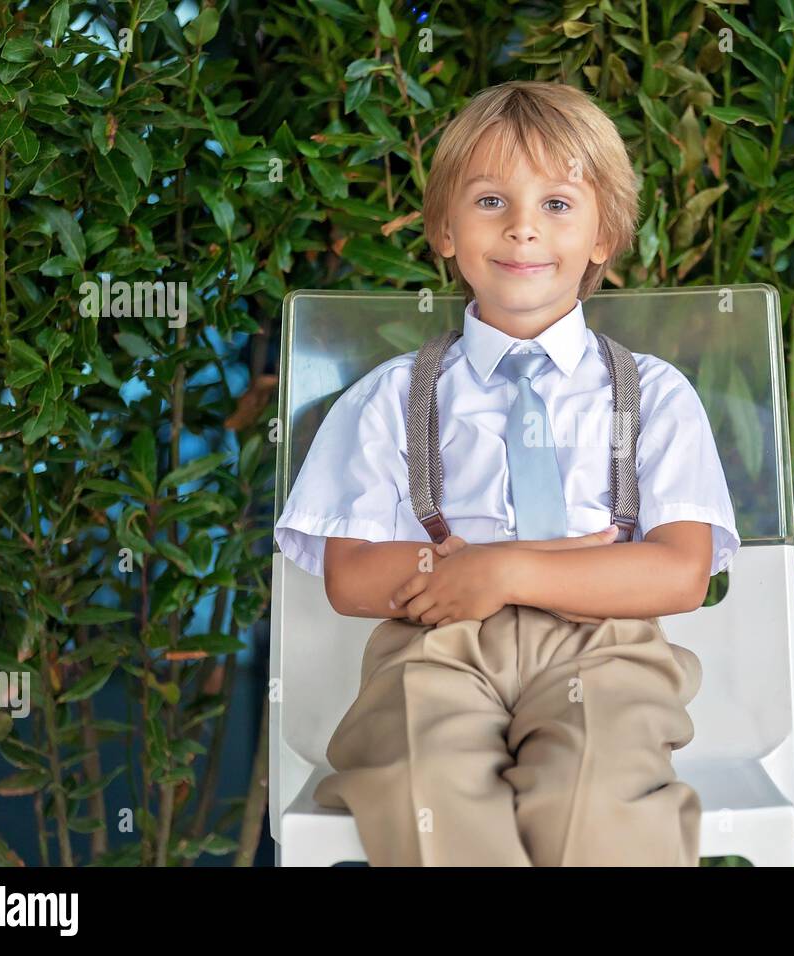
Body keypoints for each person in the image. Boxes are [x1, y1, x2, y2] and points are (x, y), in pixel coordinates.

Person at [273, 80, 739, 866]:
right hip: (436, 647)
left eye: (557, 204)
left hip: (607, 650)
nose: (523, 228)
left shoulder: (653, 393)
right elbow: (351, 577)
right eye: (491, 201)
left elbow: (680, 573)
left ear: (604, 236)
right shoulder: (391, 396)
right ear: (445, 231)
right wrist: (552, 558)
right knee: (423, 777)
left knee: (592, 792)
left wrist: (509, 568)